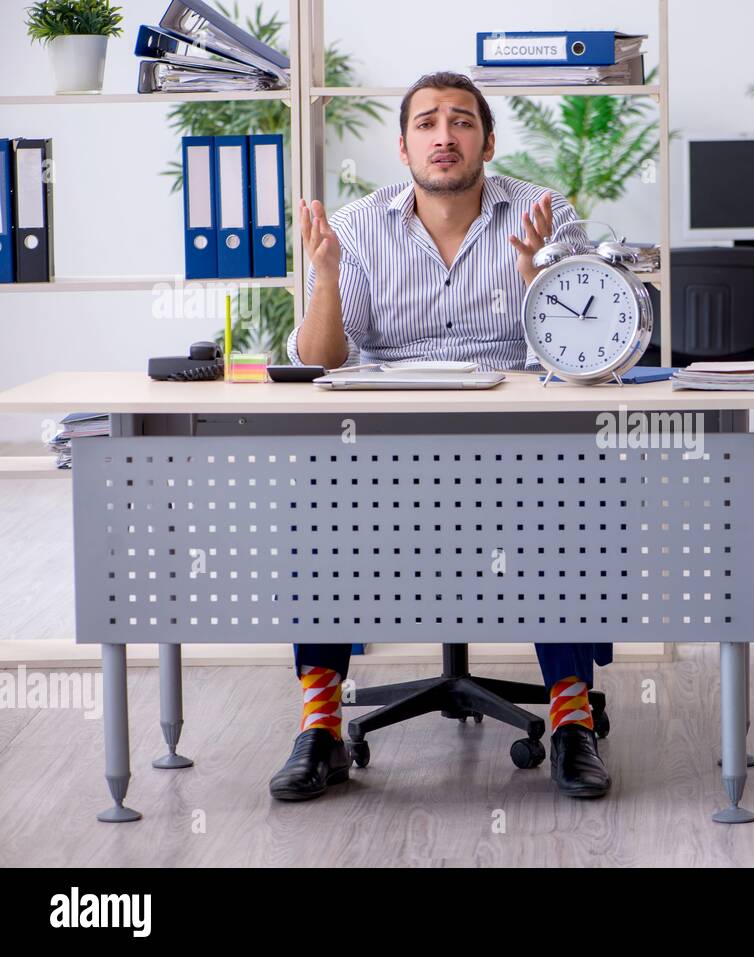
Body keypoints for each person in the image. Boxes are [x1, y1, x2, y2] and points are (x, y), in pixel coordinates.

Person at [269, 71, 611, 803]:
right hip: (393, 442)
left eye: (461, 121)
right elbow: (322, 359)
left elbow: (584, 349)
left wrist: (536, 278)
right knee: (314, 504)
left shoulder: (545, 214)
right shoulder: (358, 229)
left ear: (489, 140)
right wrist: (325, 279)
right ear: (403, 147)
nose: (444, 135)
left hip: (518, 439)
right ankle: (321, 722)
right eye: (426, 123)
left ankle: (573, 718)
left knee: (564, 500)